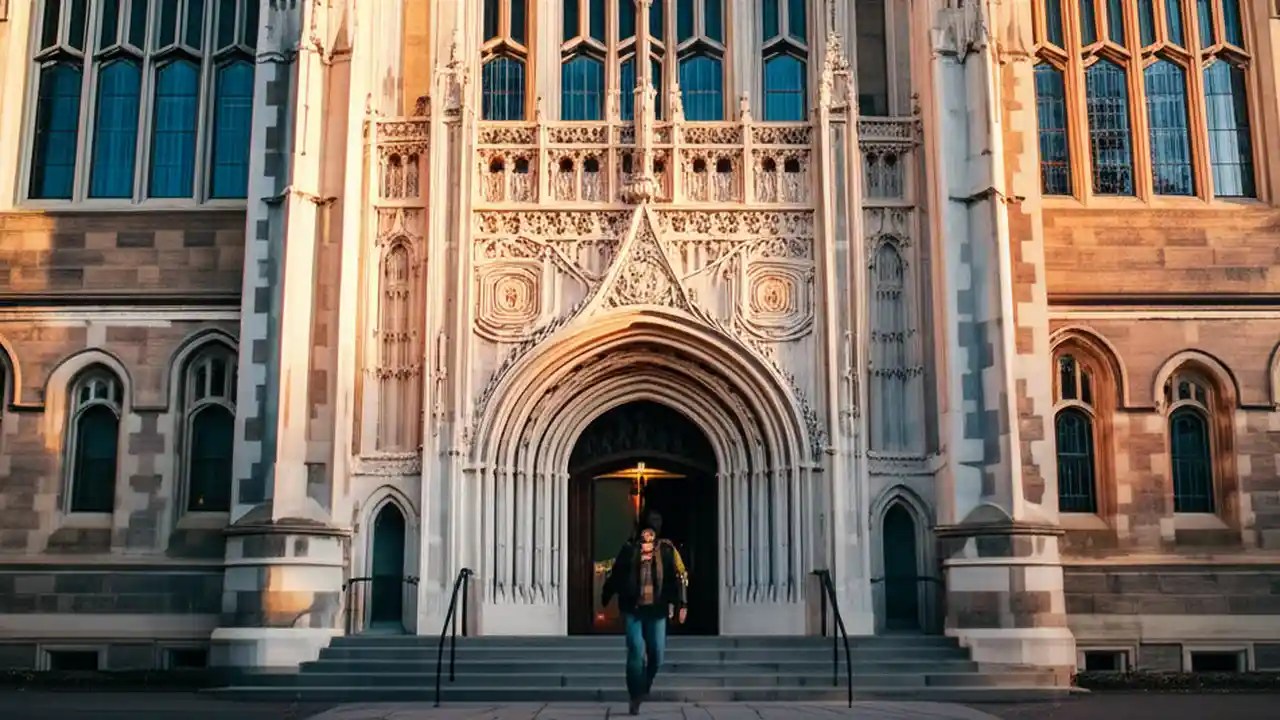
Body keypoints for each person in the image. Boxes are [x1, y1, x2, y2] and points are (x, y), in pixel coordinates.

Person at [600, 510, 688, 715]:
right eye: (646, 531)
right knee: (635, 652)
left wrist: (682, 604)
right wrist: (607, 594)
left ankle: (645, 684)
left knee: (657, 654)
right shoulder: (629, 549)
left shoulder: (667, 550)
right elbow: (617, 574)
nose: (648, 535)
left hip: (657, 611)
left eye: (652, 531)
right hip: (634, 609)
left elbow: (679, 576)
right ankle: (635, 695)